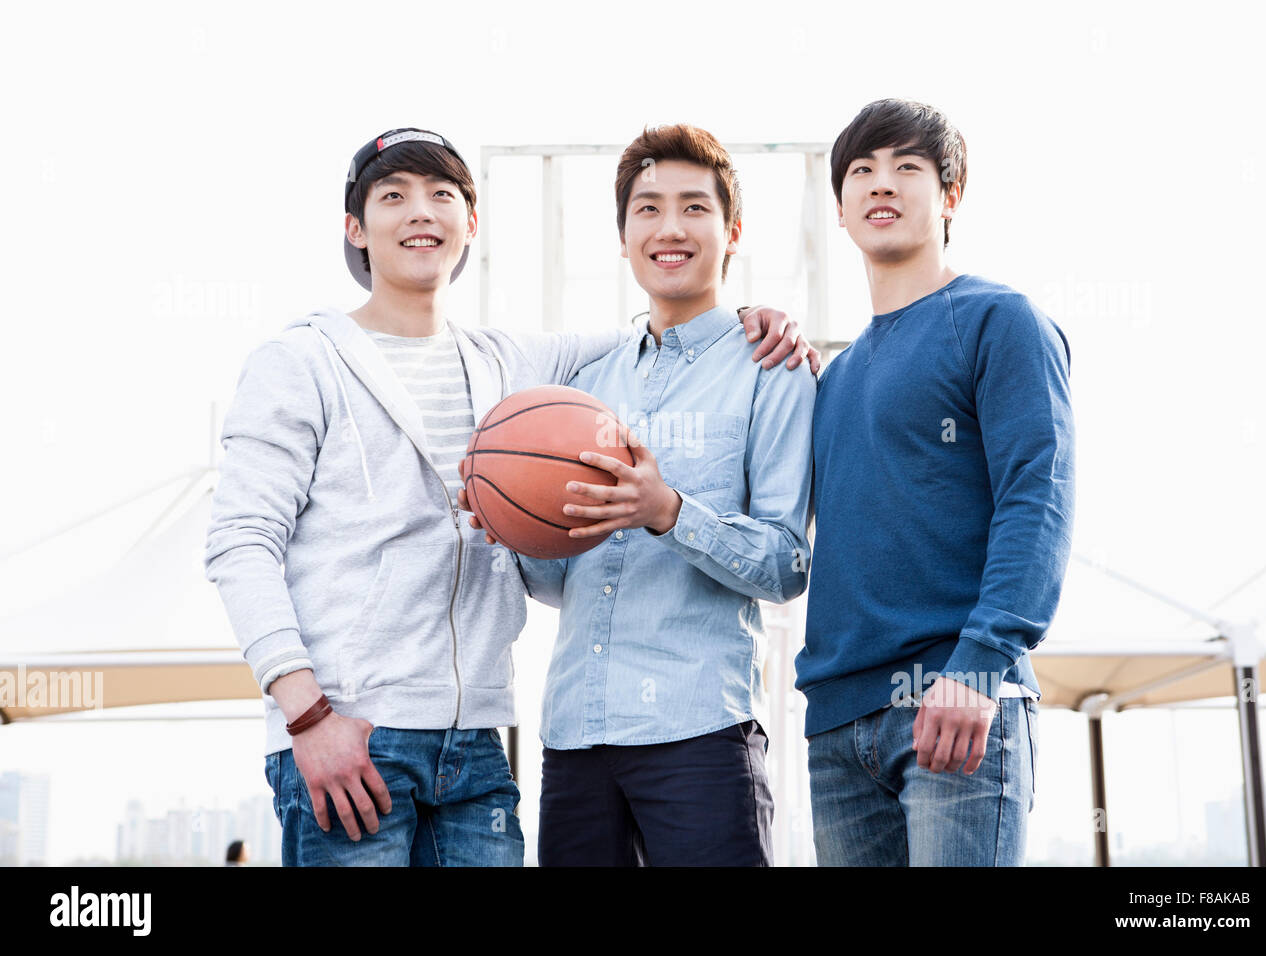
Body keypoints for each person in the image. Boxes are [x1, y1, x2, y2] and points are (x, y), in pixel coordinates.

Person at [204, 127, 816, 867]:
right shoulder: (302, 362)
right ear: (355, 228)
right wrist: (305, 716)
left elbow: (676, 336)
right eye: (393, 196)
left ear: (470, 225)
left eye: (443, 195)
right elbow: (240, 542)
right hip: (358, 733)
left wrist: (758, 321)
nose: (420, 212)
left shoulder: (520, 364)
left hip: (488, 748)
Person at [465, 124, 816, 866]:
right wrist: (513, 530)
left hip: (700, 733)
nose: (670, 227)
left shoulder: (772, 367)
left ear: (732, 230)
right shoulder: (585, 384)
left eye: (695, 207)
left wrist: (670, 514)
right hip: (574, 736)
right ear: (622, 235)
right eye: (648, 208)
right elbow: (564, 578)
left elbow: (787, 565)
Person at [796, 99, 1075, 866]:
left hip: (956, 698)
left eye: (907, 167)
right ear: (843, 211)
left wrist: (981, 666)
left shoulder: (998, 319)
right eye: (862, 171)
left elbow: (1038, 496)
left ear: (950, 196)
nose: (881, 183)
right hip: (836, 723)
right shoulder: (834, 377)